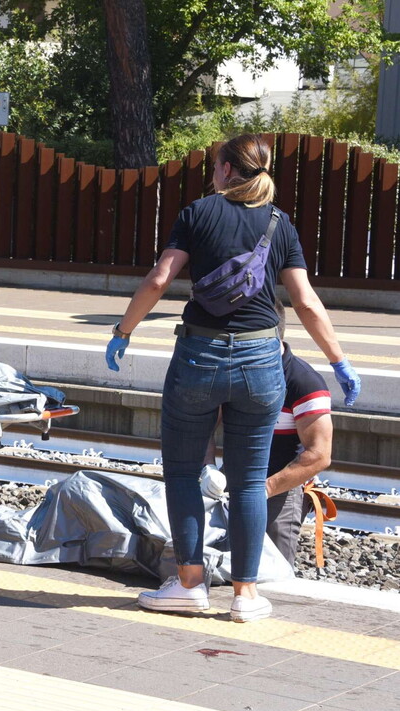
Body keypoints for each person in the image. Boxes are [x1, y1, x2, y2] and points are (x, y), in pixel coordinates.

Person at [104, 133, 359, 623]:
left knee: (183, 473)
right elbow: (305, 301)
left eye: (215, 165)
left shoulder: (197, 213)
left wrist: (123, 331)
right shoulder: (280, 223)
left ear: (225, 169)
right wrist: (338, 360)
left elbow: (159, 279)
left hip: (198, 357)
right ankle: (245, 595)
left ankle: (189, 585)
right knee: (248, 481)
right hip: (262, 361)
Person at [201, 299, 333, 567]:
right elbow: (203, 424)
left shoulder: (304, 383)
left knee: (274, 570)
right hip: (230, 479)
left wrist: (265, 489)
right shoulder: (232, 369)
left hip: (280, 487)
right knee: (216, 561)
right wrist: (208, 466)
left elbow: (319, 455)